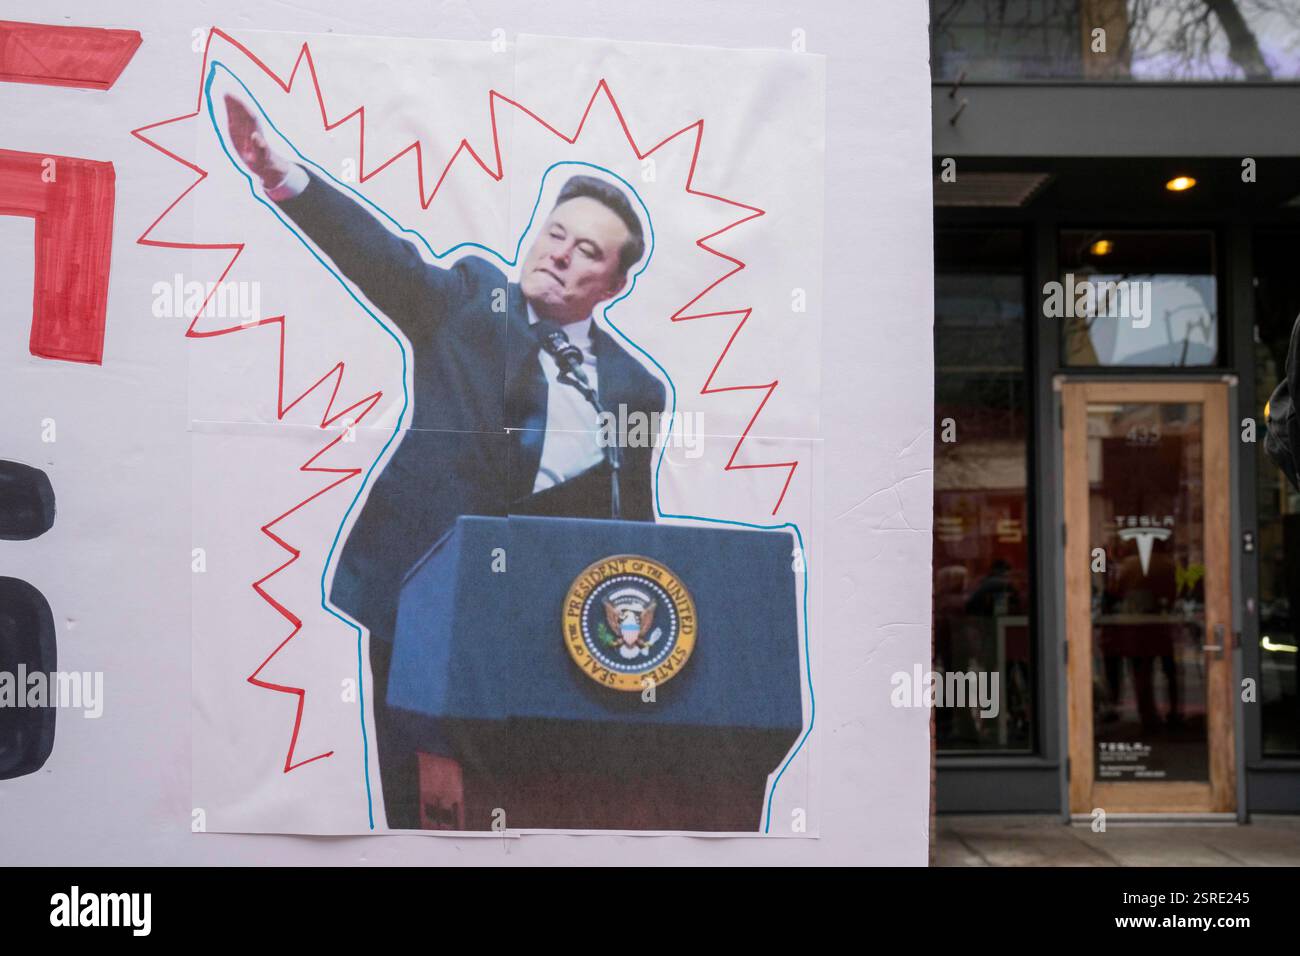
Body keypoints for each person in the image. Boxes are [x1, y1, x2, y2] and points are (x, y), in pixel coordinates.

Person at [223, 95, 666, 828]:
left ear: (615, 284)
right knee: (431, 812)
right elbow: (385, 260)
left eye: (588, 250)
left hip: (547, 625)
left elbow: (638, 528)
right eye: (554, 233)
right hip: (425, 604)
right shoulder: (470, 300)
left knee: (536, 806)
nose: (559, 253)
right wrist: (283, 175)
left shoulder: (635, 387)